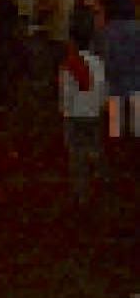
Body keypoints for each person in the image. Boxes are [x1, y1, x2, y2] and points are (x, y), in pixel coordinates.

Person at [59, 29, 106, 206]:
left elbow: (66, 94)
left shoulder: (70, 64)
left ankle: (81, 193)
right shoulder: (98, 63)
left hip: (76, 114)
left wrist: (64, 112)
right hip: (93, 112)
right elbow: (102, 87)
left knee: (76, 155)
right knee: (93, 146)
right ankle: (98, 179)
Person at [96, 0, 140, 142]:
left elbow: (104, 60)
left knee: (115, 132)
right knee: (137, 131)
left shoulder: (107, 32)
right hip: (137, 84)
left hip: (114, 85)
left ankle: (118, 157)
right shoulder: (137, 28)